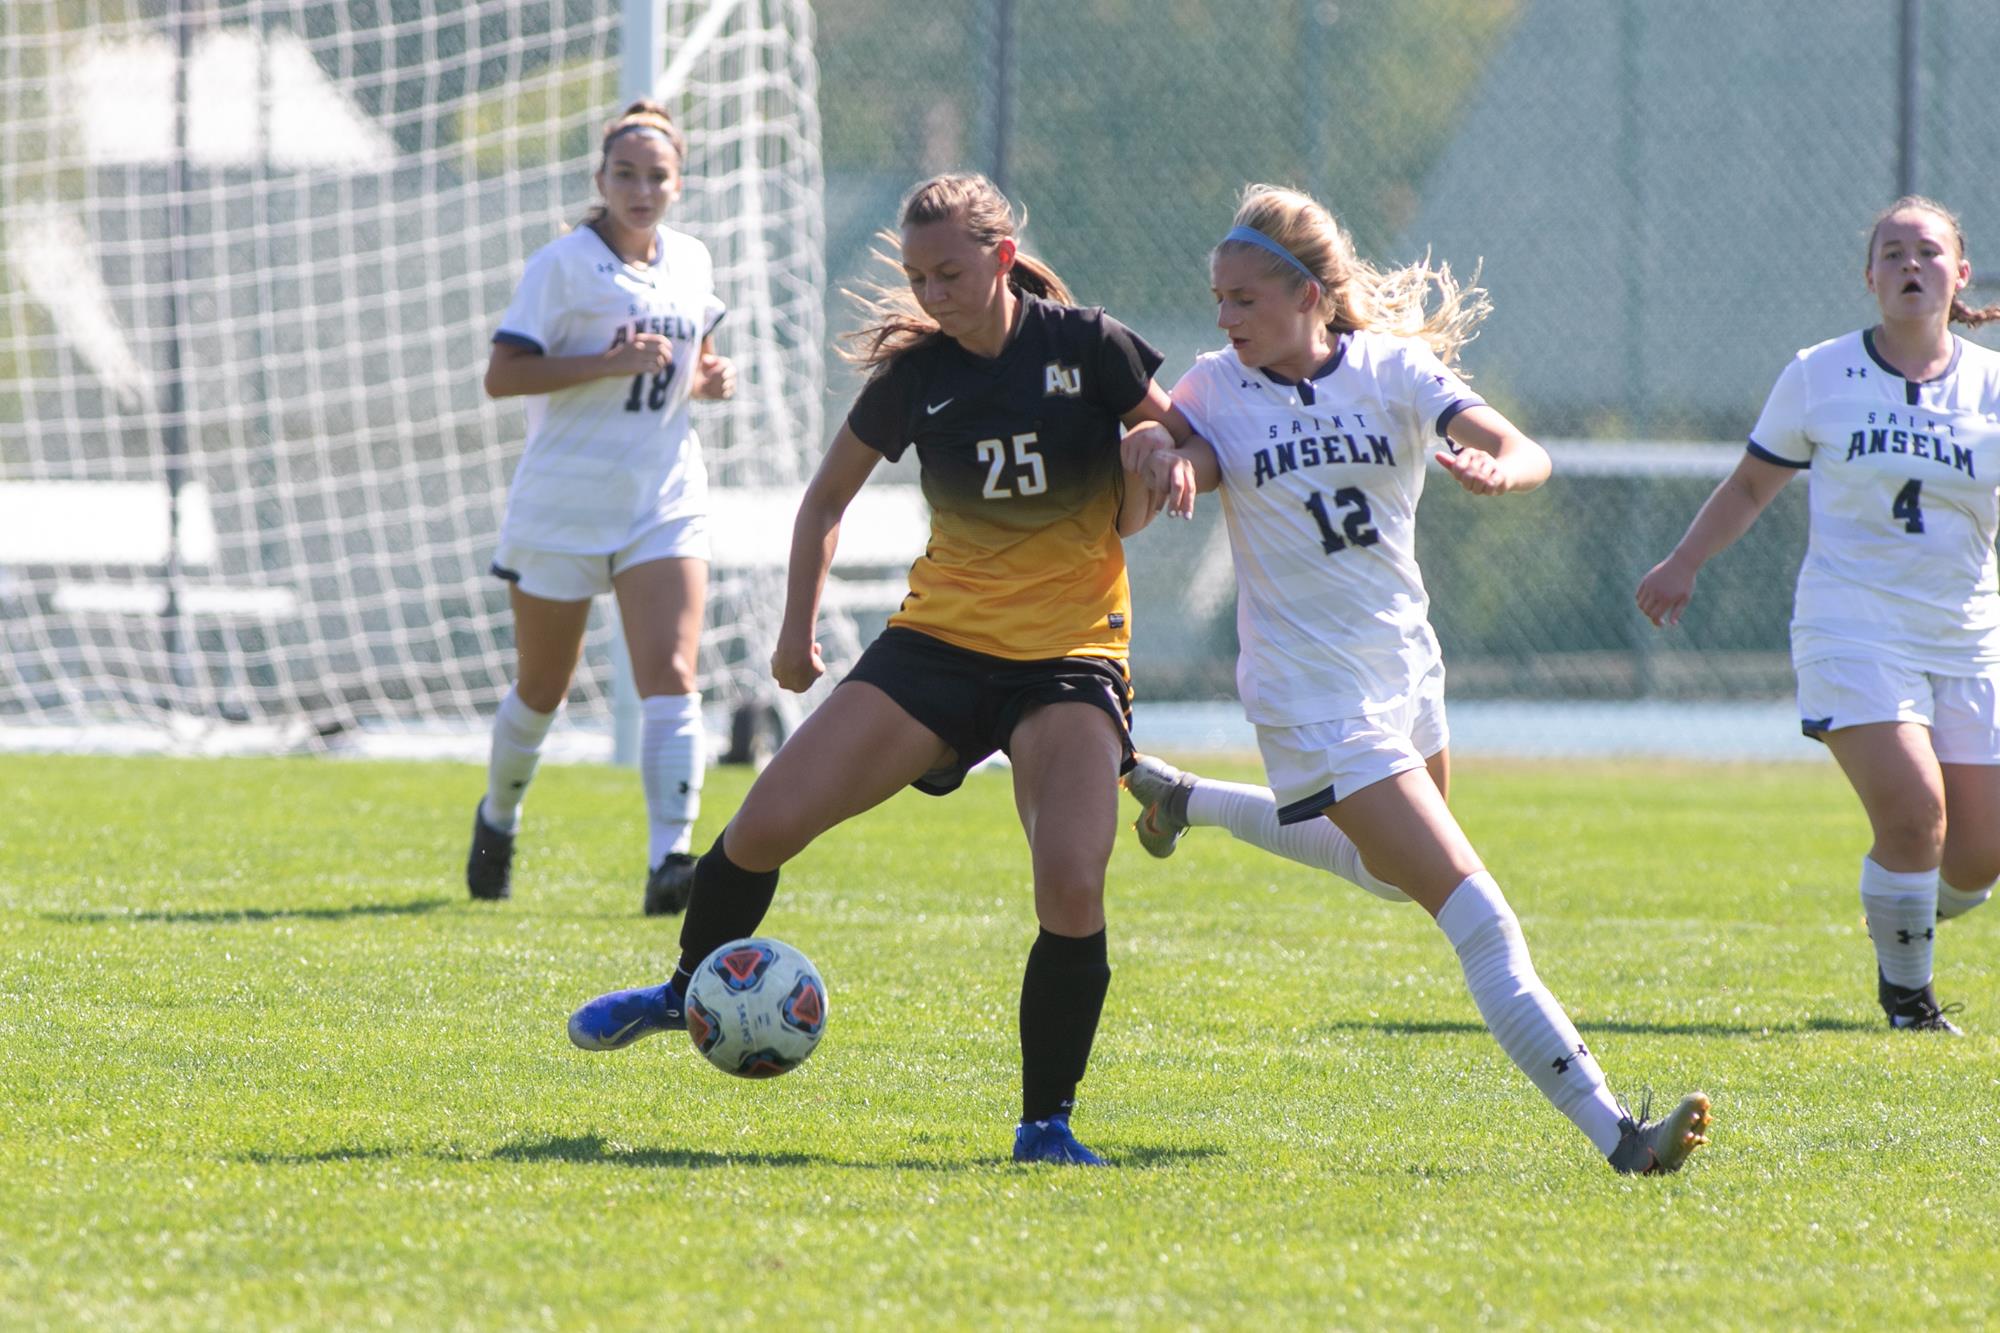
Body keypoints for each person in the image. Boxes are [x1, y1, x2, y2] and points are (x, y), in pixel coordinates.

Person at [565, 172, 1198, 1165]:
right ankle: (684, 986)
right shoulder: (915, 376)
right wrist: (795, 632)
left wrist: (1160, 449)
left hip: (1069, 658)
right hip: (938, 647)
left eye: (949, 274)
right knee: (760, 829)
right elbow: (824, 502)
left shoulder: (1087, 345)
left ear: (1000, 258)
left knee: (1072, 887)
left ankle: (1044, 1125)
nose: (931, 294)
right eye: (917, 277)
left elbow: (1172, 428)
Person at [1120, 184, 1710, 1174]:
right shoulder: (1217, 386)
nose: (1223, 318)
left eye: (1243, 298)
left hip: (1402, 666)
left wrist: (1502, 470)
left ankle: (1184, 799)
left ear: (1309, 295)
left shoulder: (1392, 368)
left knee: (1389, 874)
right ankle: (1617, 1133)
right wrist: (1156, 448)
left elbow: (1520, 448)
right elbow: (1172, 445)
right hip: (1310, 696)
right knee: (1477, 914)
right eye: (1217, 298)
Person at [1637, 195, 2000, 1035]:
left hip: (1967, 634)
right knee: (1915, 812)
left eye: (1928, 252)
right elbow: (1750, 484)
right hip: (1853, 625)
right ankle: (1909, 1000)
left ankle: (1898, 906)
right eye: (1893, 252)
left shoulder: (1991, 384)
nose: (1911, 265)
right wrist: (1684, 561)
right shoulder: (1819, 372)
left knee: (1977, 857)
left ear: (1960, 274)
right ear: (1869, 276)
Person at [465, 100, 736, 915]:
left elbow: (692, 362)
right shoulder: (562, 265)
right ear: (601, 180)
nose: (641, 189)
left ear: (678, 183)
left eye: (657, 176)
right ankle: (498, 818)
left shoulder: (691, 259)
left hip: (663, 495)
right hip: (565, 501)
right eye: (626, 174)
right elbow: (503, 375)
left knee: (674, 675)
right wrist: (604, 362)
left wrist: (709, 379)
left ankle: (670, 861)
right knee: (542, 690)